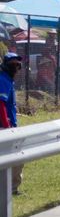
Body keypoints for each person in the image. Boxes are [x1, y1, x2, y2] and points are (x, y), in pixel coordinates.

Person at [0, 53, 23, 194]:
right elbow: (1, 104)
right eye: (13, 64)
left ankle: (11, 187)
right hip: (4, 126)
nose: (16, 67)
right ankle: (11, 187)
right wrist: (7, 126)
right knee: (18, 157)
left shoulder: (8, 80)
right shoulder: (3, 80)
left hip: (9, 125)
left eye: (18, 64)